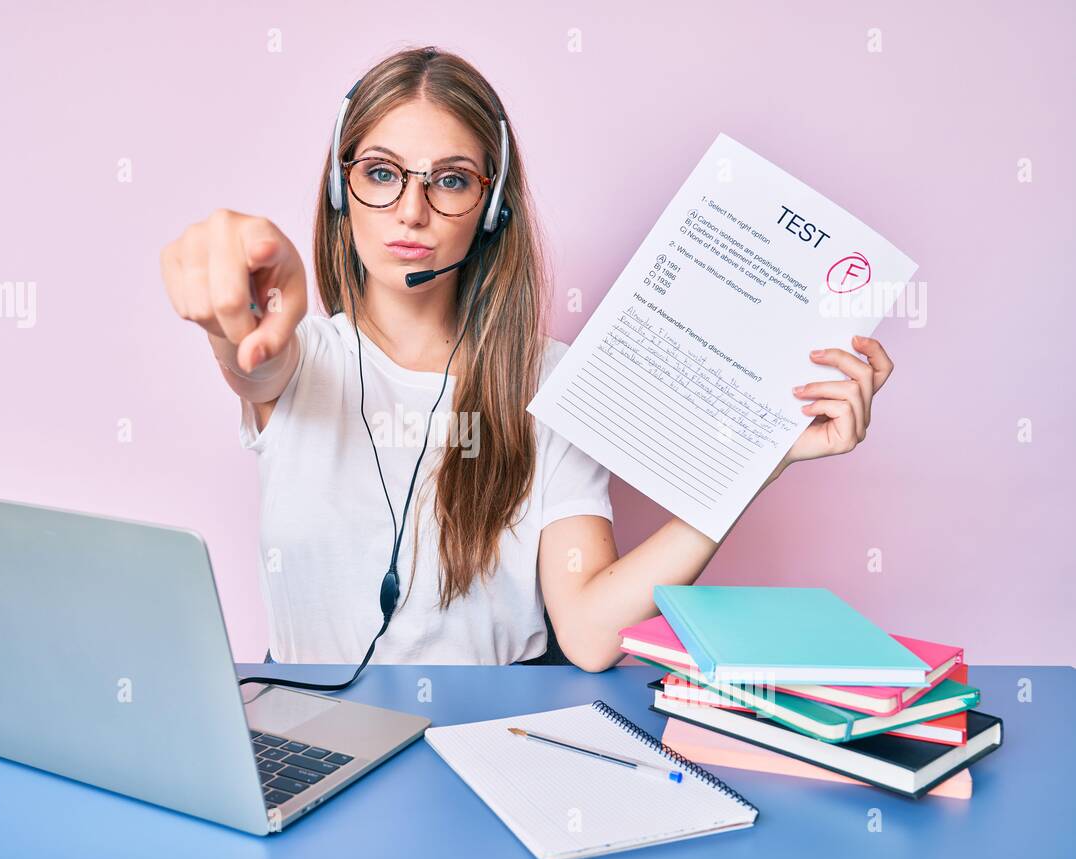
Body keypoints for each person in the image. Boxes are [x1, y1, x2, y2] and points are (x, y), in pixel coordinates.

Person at [158, 46, 894, 672]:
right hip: (314, 734)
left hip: (491, 742)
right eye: (381, 173)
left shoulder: (549, 381)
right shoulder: (298, 361)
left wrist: (755, 464)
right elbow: (251, 359)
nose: (411, 212)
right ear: (338, 187)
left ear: (493, 206)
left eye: (450, 180)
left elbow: (589, 633)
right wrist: (235, 297)